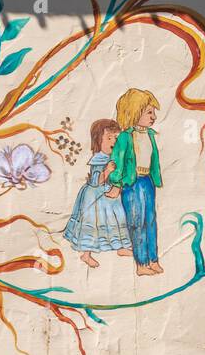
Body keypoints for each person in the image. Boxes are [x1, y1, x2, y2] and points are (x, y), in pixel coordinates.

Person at [105, 88, 163, 276]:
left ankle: (153, 260)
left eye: (153, 112)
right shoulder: (125, 137)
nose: (153, 116)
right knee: (137, 222)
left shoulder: (150, 134)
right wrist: (116, 182)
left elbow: (153, 159)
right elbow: (118, 162)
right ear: (134, 112)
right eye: (149, 112)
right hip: (132, 183)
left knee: (151, 220)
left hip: (147, 181)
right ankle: (141, 264)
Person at [63, 119, 132, 269]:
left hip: (110, 197)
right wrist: (106, 171)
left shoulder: (115, 158)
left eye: (116, 138)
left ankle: (120, 247)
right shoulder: (98, 158)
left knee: (117, 220)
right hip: (94, 197)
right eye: (109, 138)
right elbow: (95, 181)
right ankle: (86, 254)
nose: (113, 141)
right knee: (92, 225)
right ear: (98, 140)